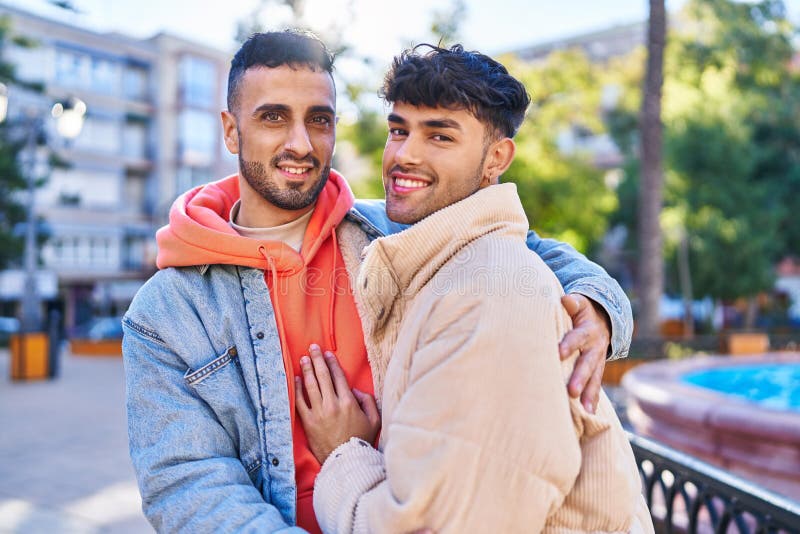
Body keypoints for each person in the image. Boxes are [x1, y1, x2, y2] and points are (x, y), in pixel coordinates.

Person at [122, 31, 633, 533]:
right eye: (273, 117)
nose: (300, 143)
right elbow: (188, 485)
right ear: (232, 131)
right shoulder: (166, 313)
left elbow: (519, 244)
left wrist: (598, 305)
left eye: (318, 120)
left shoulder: (399, 229)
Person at [297, 44, 653, 533]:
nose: (405, 155)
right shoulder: (435, 254)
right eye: (398, 130)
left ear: (496, 158)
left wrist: (342, 452)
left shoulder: (492, 297)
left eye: (440, 136)